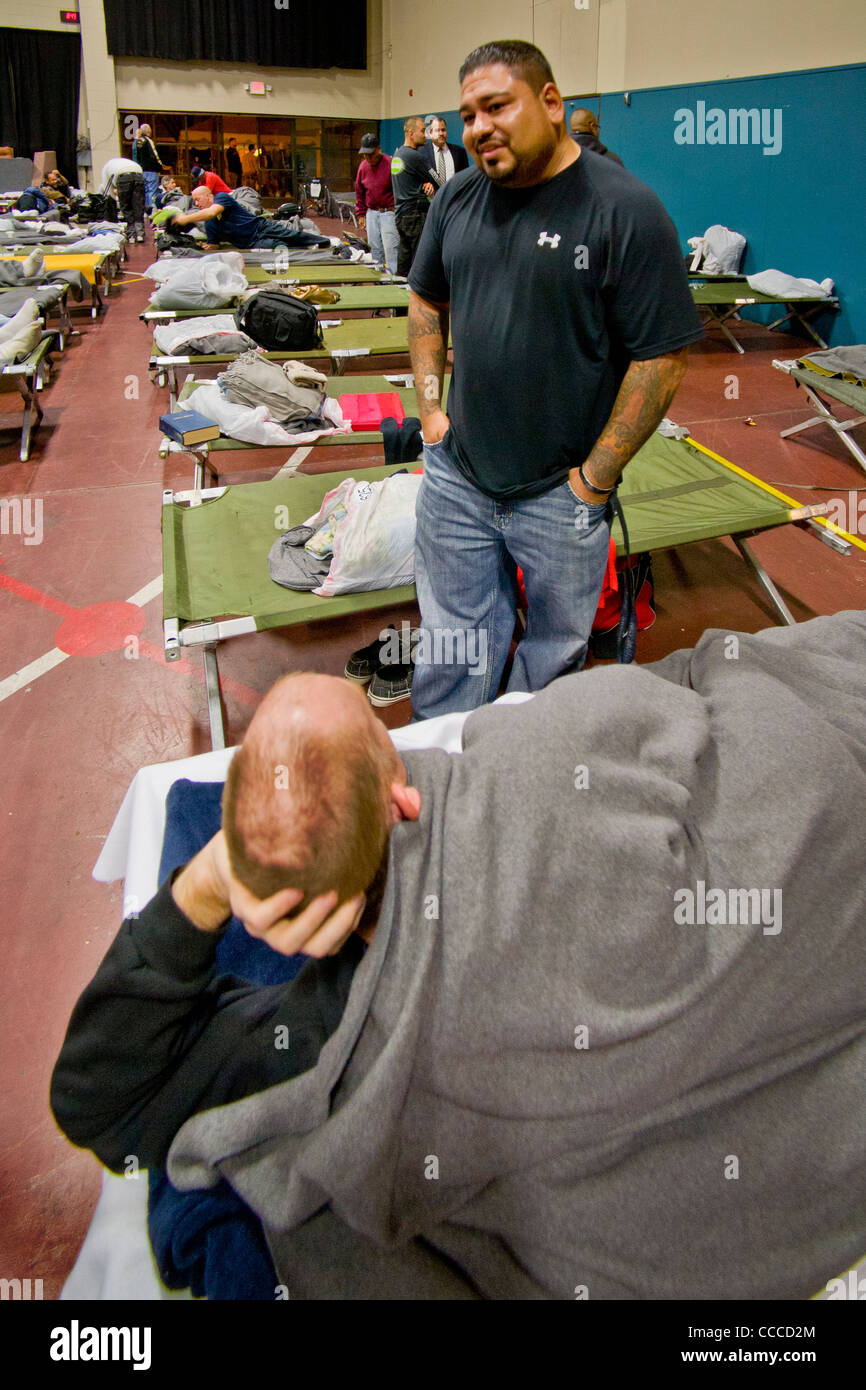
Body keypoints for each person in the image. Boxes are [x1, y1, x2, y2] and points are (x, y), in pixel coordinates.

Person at [50, 611, 866, 1299]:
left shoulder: (327, 1059)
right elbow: (738, 699)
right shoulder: (546, 761)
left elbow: (103, 1103)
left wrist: (202, 888)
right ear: (404, 787)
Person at [406, 39, 703, 720]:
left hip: (561, 496)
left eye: (495, 106)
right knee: (452, 646)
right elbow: (426, 299)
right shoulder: (457, 200)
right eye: (466, 115)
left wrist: (594, 479)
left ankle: (523, 781)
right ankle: (445, 777)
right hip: (459, 478)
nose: (478, 127)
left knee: (551, 663)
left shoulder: (624, 210)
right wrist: (430, 414)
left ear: (550, 103)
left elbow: (663, 355)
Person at [154, 185, 331, 253]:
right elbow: (214, 244)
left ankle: (326, 242)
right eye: (193, 201)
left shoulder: (221, 198)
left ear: (209, 196)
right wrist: (206, 247)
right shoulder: (209, 224)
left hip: (260, 227)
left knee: (291, 234)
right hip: (251, 243)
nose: (196, 203)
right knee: (281, 247)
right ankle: (312, 248)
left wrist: (183, 218)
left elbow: (211, 212)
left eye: (198, 200)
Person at [390, 116, 435, 276]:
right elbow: (439, 180)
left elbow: (409, 181)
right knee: (419, 261)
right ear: (411, 133)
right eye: (423, 131)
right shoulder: (416, 157)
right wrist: (430, 183)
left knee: (404, 259)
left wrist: (424, 184)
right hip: (416, 216)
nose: (426, 135)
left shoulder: (397, 155)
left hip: (401, 215)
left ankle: (399, 294)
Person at [354, 133, 398, 275]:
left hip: (389, 212)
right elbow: (359, 192)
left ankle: (393, 282)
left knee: (391, 250)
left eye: (370, 154)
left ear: (378, 149)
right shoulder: (363, 167)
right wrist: (361, 215)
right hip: (371, 213)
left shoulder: (391, 163)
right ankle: (378, 281)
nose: (367, 158)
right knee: (375, 250)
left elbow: (399, 189)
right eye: (364, 155)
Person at [100, 154, 145, 242]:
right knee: (138, 205)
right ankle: (140, 234)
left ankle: (131, 236)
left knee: (126, 207)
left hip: (123, 177)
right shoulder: (124, 162)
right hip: (138, 175)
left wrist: (116, 200)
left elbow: (107, 188)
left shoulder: (106, 168)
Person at [132, 123, 171, 212]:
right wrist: (159, 167)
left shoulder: (137, 142)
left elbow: (135, 155)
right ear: (149, 132)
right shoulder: (148, 141)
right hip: (151, 170)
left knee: (145, 192)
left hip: (141, 171)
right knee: (152, 192)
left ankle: (145, 212)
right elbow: (154, 156)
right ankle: (152, 211)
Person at [424, 116, 469, 186]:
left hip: (455, 195)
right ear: (430, 133)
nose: (441, 133)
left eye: (443, 130)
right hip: (433, 196)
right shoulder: (422, 152)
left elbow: (466, 179)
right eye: (437, 130)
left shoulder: (459, 152)